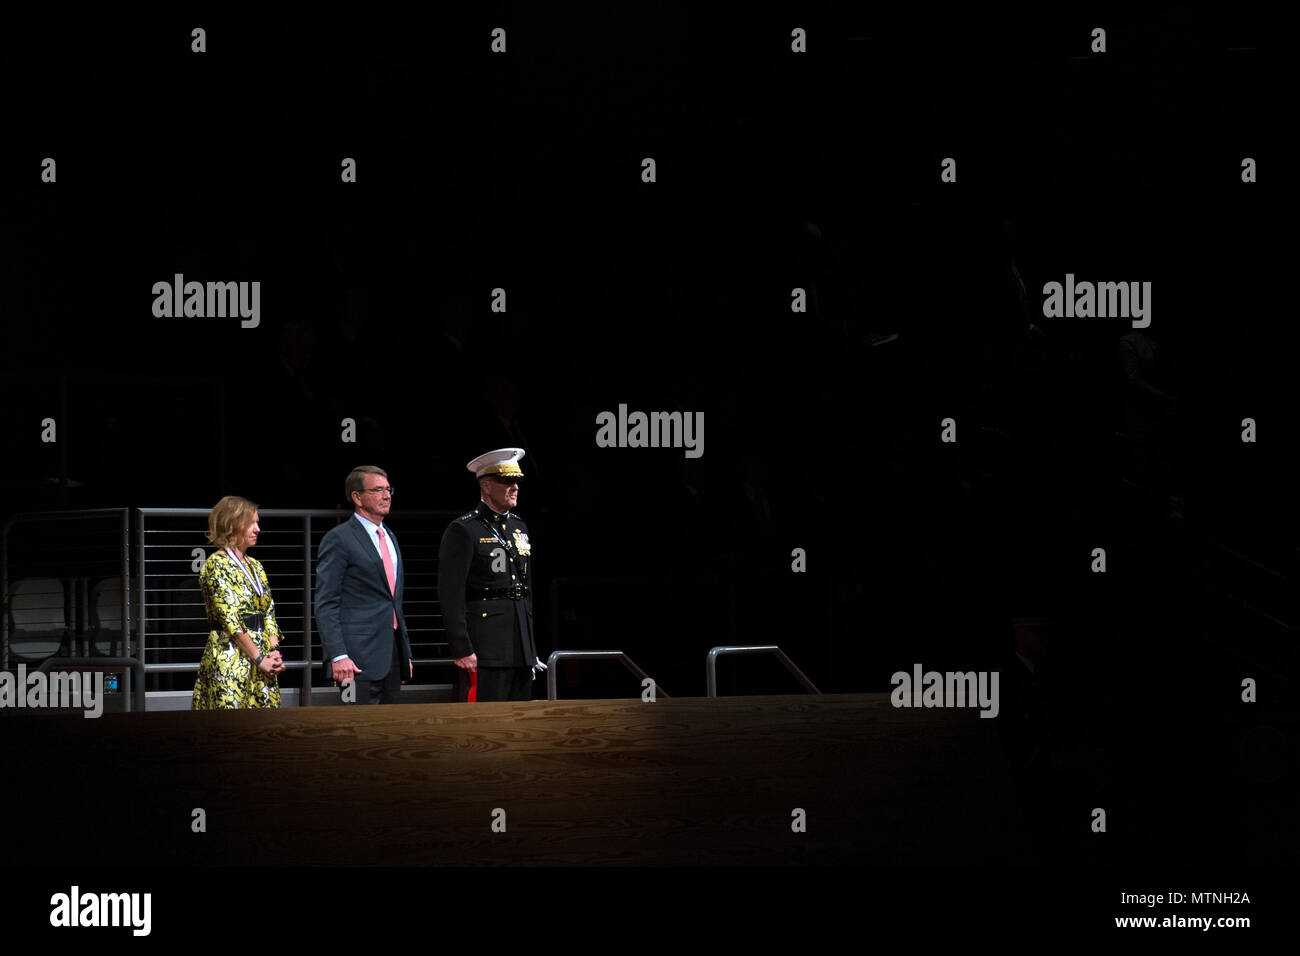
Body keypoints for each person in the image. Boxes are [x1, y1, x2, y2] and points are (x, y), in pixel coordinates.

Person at [438, 448, 541, 702]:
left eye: (516, 481)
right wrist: (461, 648)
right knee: (485, 722)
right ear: (486, 486)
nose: (514, 487)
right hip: (486, 647)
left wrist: (529, 648)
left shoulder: (519, 526)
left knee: (520, 722)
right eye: (506, 481)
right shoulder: (464, 529)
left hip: (520, 647)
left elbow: (525, 588)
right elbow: (450, 594)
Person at [315, 465, 413, 704]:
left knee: (388, 732)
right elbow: (326, 602)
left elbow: (393, 602)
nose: (386, 496)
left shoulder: (390, 537)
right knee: (357, 733)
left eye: (388, 489)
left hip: (391, 656)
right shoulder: (339, 538)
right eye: (378, 490)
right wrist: (338, 655)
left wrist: (404, 652)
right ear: (357, 497)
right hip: (355, 660)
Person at [192, 496, 285, 709]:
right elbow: (230, 619)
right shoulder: (216, 564)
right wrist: (259, 658)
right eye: (252, 523)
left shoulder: (256, 565)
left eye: (258, 523)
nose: (258, 529)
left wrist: (273, 652)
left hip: (262, 656)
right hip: (231, 655)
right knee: (229, 726)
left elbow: (268, 611)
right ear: (233, 525)